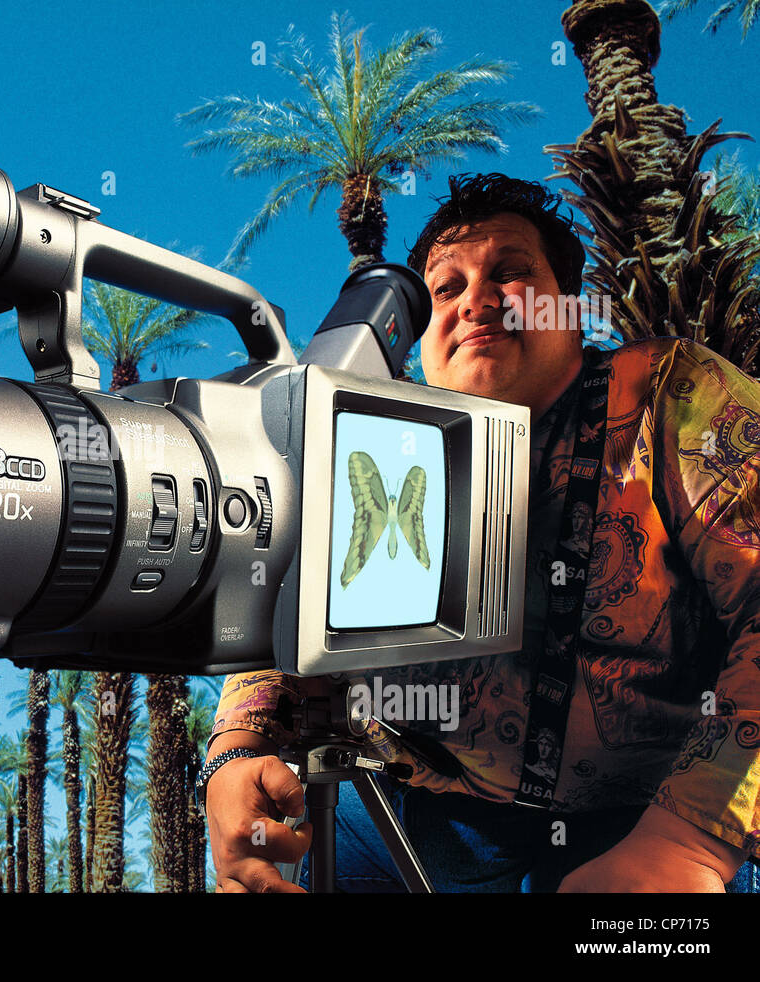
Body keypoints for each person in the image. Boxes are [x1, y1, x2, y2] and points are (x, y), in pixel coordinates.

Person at [202, 173, 760, 893]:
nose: (475, 299)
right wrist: (231, 758)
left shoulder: (671, 394)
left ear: (570, 303)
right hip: (413, 812)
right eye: (445, 287)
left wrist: (690, 844)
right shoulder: (371, 432)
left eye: (511, 272)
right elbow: (281, 588)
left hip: (649, 814)